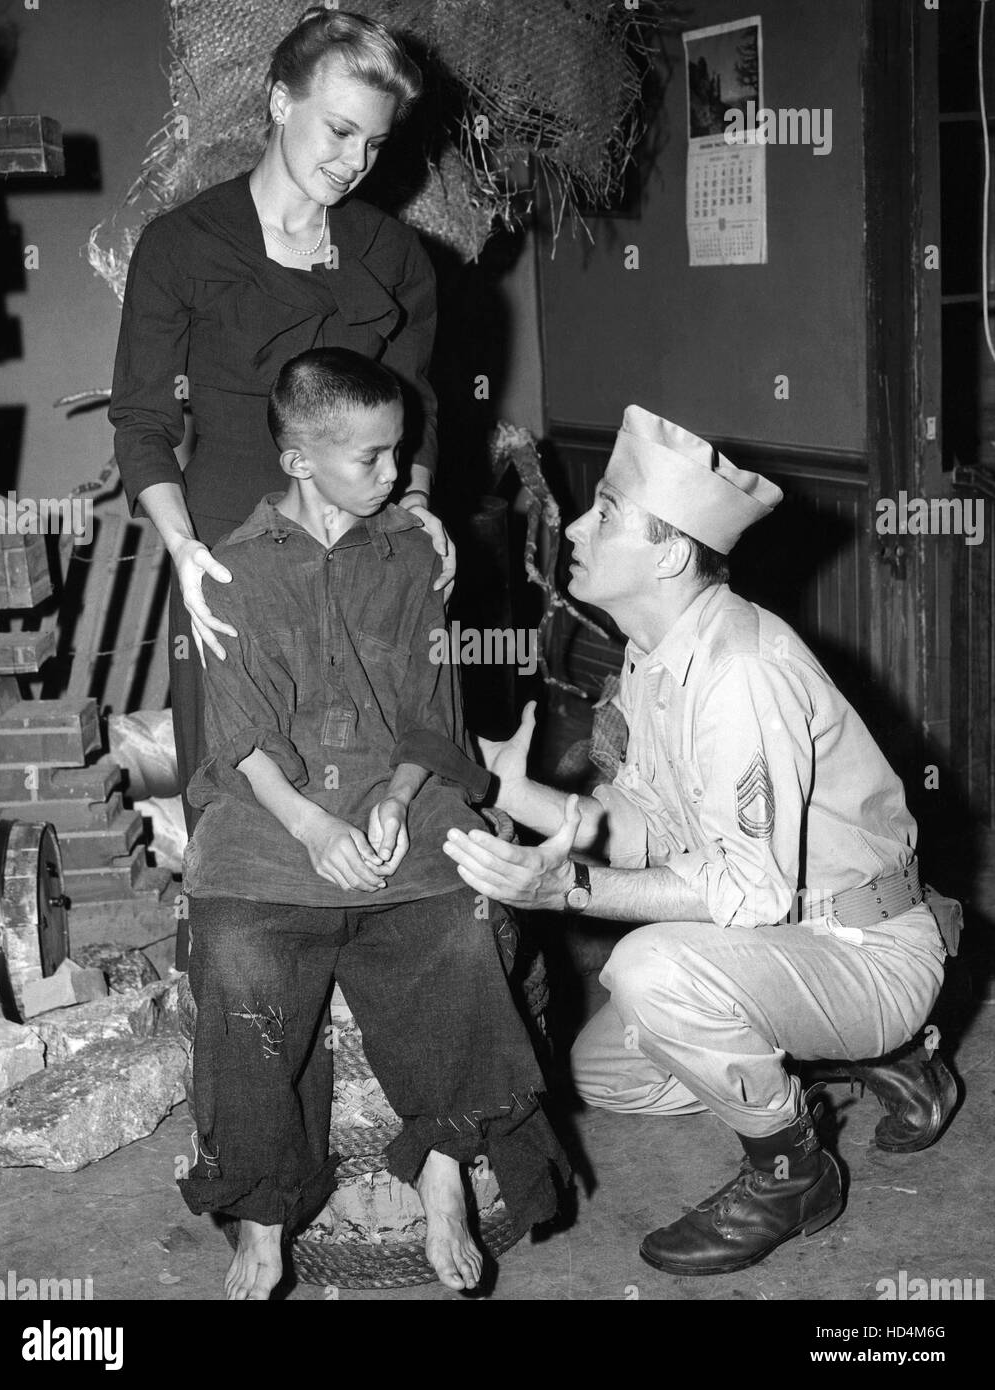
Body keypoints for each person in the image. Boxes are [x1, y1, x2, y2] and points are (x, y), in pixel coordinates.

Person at [444, 406, 957, 1278]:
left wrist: (566, 889)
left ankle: (792, 1172)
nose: (573, 525)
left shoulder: (738, 672)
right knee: (605, 1075)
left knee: (649, 972)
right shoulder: (656, 650)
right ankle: (869, 1062)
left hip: (865, 945)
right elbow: (647, 828)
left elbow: (747, 893)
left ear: (671, 554)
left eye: (604, 512)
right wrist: (508, 788)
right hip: (785, 936)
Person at [178, 346, 567, 1299]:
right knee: (239, 956)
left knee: (458, 929)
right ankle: (264, 1214)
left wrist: (393, 799)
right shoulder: (232, 570)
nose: (397, 477)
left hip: (400, 793)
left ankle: (442, 1171)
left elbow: (433, 711)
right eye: (373, 460)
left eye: (399, 453)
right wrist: (315, 831)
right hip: (274, 815)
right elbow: (240, 742)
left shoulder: (413, 555)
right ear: (301, 461)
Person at [108, 10, 456, 967]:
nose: (354, 161)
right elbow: (142, 420)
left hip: (366, 544)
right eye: (338, 130)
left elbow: (418, 405)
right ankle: (234, 975)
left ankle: (390, 981)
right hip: (228, 546)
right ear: (277, 101)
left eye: (376, 143)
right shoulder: (181, 246)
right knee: (236, 773)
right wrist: (185, 553)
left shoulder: (392, 255)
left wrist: (419, 506)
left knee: (393, 757)